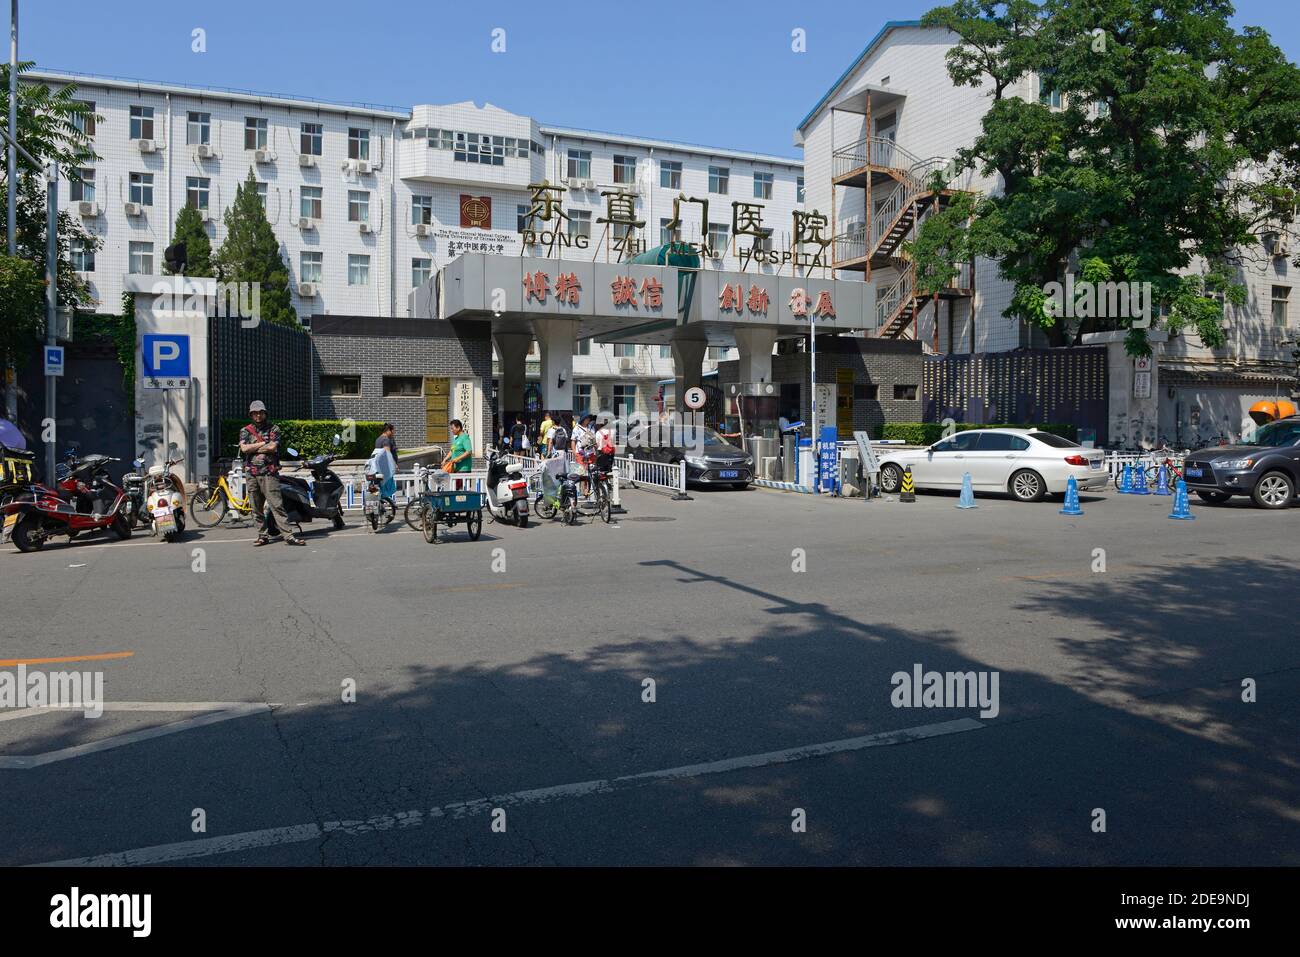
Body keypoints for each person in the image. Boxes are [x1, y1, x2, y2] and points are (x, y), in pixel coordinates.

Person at [239, 400, 305, 546]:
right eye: (255, 413)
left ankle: (288, 536)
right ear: (251, 414)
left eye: (260, 412)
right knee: (256, 508)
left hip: (270, 473)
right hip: (252, 474)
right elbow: (244, 449)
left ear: (265, 413)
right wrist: (263, 444)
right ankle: (262, 536)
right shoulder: (245, 430)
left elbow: (273, 448)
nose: (258, 415)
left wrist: (253, 448)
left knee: (277, 505)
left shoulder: (273, 428)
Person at [443, 419, 473, 489]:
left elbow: (469, 451)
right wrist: (445, 459)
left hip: (463, 469)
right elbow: (452, 451)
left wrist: (457, 459)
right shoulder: (456, 439)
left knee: (464, 490)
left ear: (458, 427)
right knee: (456, 489)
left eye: (452, 428)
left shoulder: (465, 437)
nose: (451, 430)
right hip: (456, 469)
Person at [374, 424, 399, 500]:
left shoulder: (378, 439)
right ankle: (386, 501)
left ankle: (382, 501)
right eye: (393, 431)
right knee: (388, 486)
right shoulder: (386, 440)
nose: (393, 433)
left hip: (379, 467)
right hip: (385, 468)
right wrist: (395, 465)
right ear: (388, 430)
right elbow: (388, 454)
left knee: (381, 486)